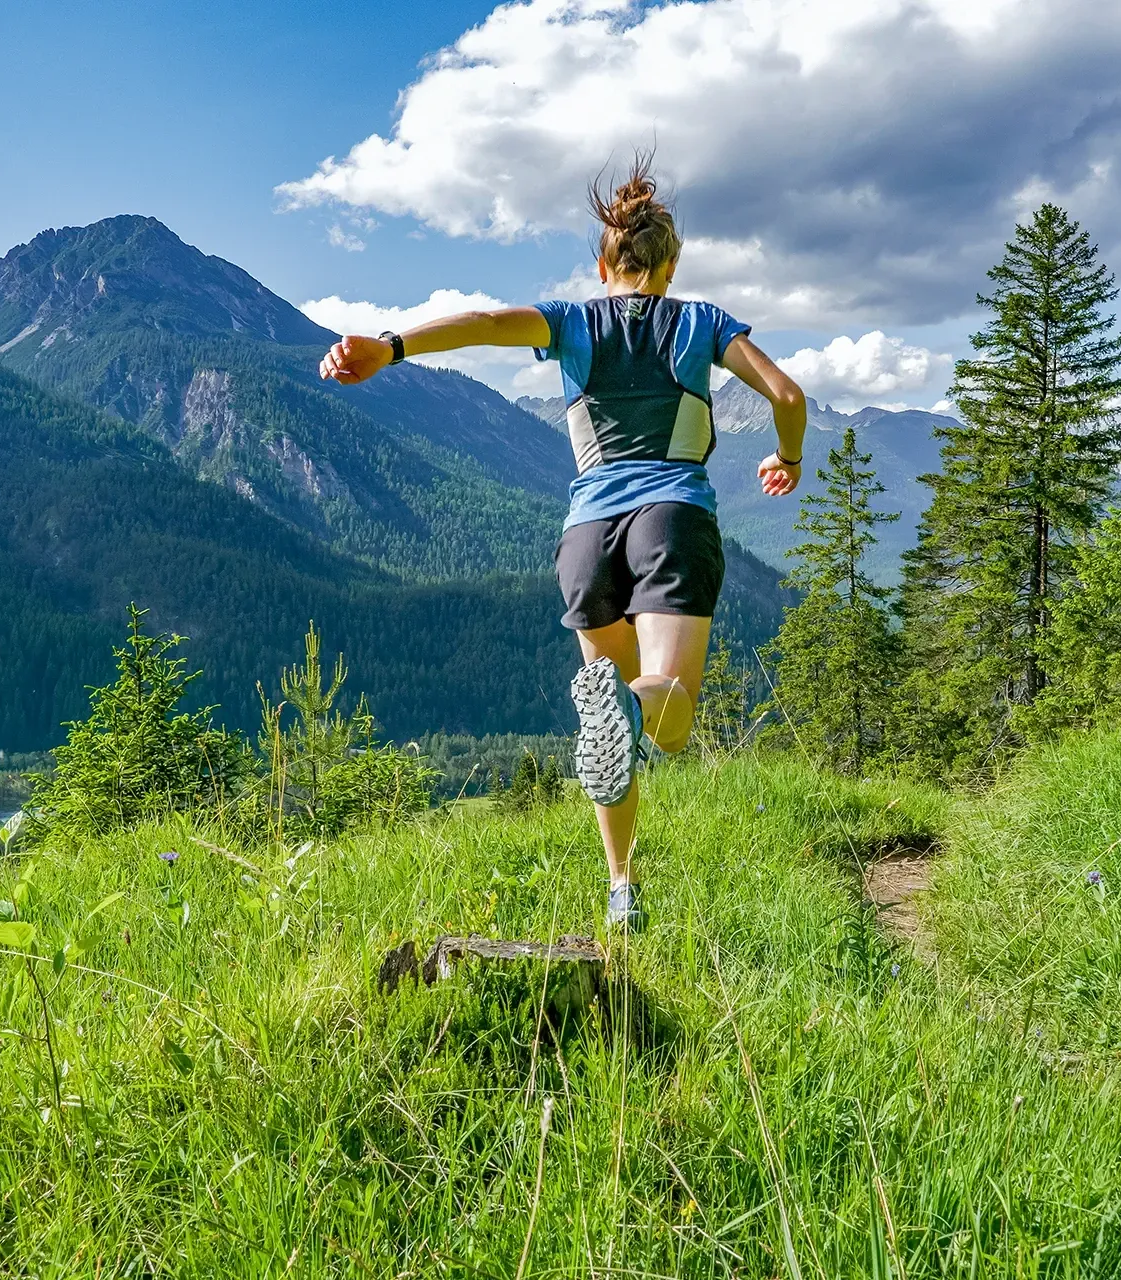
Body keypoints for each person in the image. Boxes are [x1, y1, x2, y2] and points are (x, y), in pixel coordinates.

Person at [319, 157, 806, 932]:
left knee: (606, 718)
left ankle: (621, 885)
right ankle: (626, 717)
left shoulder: (573, 322)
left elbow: (482, 324)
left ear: (604, 261)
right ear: (670, 263)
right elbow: (786, 396)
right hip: (671, 518)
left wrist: (389, 346)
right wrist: (787, 457)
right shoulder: (703, 323)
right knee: (667, 714)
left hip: (585, 537)